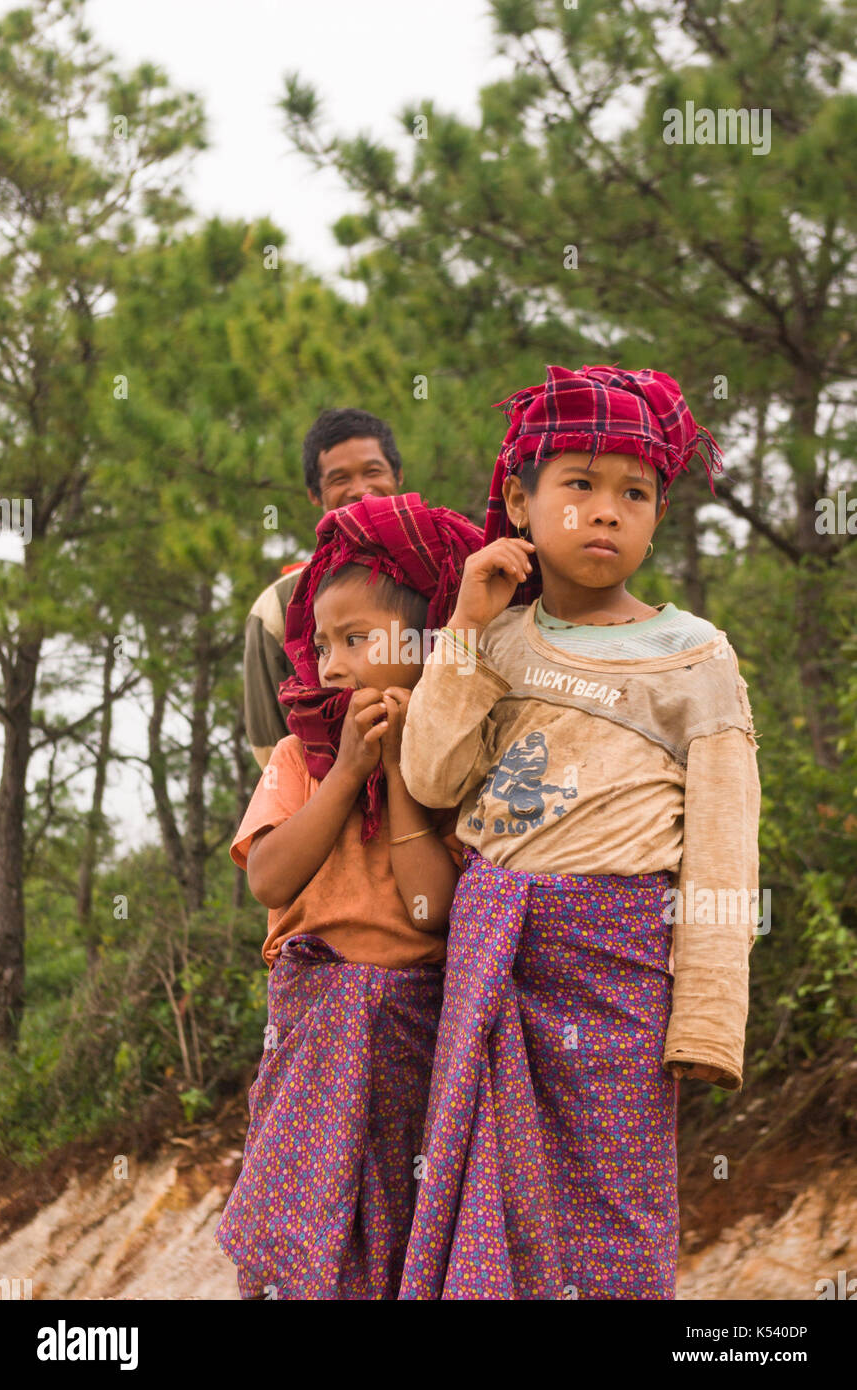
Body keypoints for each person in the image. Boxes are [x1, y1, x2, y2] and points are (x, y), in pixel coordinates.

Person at [396, 364, 762, 1301]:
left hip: (620, 969)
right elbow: (431, 777)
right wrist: (467, 632)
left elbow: (724, 843)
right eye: (580, 486)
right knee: (491, 1201)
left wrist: (710, 1020)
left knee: (616, 1204)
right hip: (491, 957)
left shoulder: (696, 656)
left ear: (657, 515)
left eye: (633, 493)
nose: (606, 512)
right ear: (520, 502)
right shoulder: (498, 641)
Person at [215, 492, 483, 1300]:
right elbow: (268, 877)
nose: (330, 665)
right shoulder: (303, 753)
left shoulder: (448, 764)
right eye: (322, 644)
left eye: (356, 640)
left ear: (423, 640)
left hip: (413, 1020)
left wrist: (400, 769)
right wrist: (351, 773)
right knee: (297, 1223)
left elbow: (430, 913)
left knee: (399, 1215)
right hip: (315, 1010)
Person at [244, 408, 405, 769]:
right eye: (339, 478)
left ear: (398, 476)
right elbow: (273, 748)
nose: (360, 490)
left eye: (373, 471)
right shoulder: (278, 607)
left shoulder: (450, 573)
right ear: (315, 494)